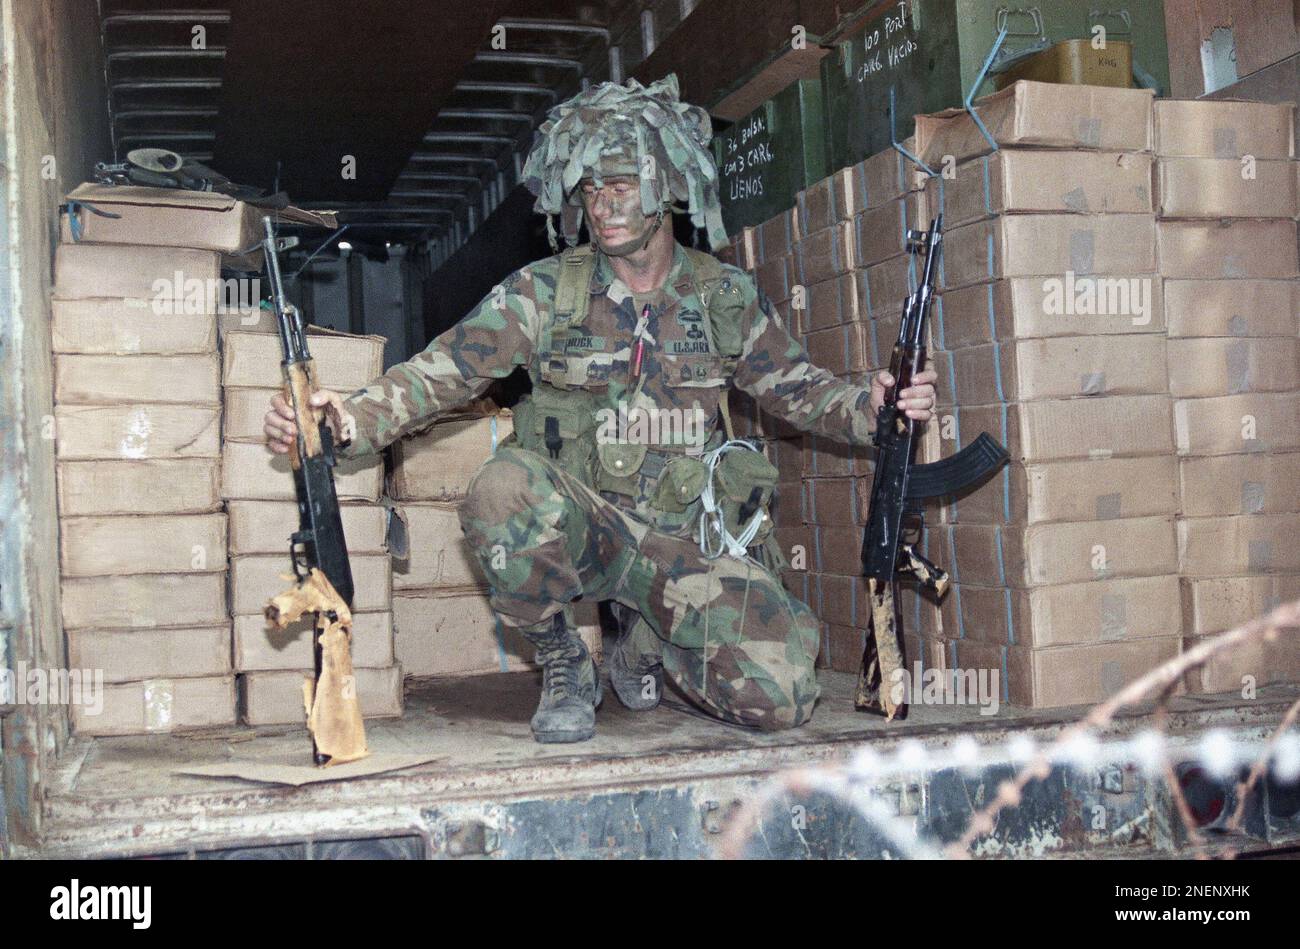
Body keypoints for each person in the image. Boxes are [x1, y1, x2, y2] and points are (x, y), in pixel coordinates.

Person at [265, 74, 937, 744]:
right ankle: (565, 662)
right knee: (501, 489)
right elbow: (443, 371)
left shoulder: (721, 297)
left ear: (666, 188)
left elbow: (799, 388)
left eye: (621, 187)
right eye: (591, 190)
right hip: (586, 531)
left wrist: (872, 407)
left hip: (681, 548)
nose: (604, 206)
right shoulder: (547, 291)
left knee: (783, 694)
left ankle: (644, 642)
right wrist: (347, 419)